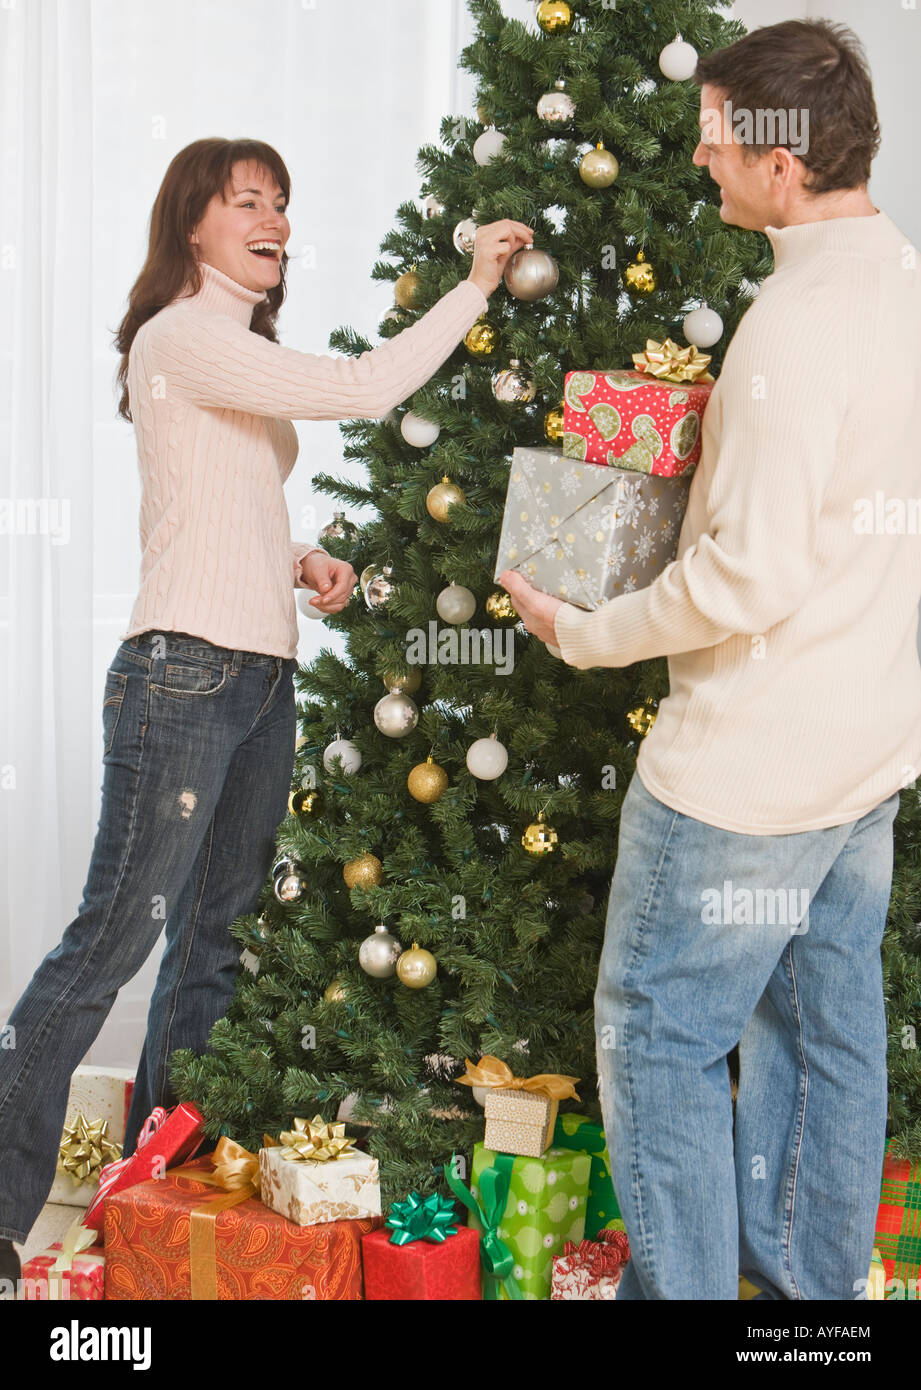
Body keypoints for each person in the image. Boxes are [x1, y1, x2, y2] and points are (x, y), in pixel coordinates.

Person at [0, 135, 532, 1288]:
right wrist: (475, 286)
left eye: (282, 202)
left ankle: (152, 1198)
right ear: (191, 224)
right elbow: (359, 389)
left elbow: (217, 498)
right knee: (111, 941)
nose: (273, 217)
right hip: (184, 671)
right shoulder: (181, 334)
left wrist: (296, 554)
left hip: (256, 673)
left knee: (210, 949)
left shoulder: (234, 349)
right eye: (248, 200)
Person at [503, 19, 921, 1299]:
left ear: (783, 162)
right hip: (862, 762)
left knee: (660, 1042)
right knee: (825, 1042)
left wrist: (587, 631)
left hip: (745, 776)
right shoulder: (900, 281)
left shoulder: (795, 322)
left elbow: (754, 575)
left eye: (718, 134)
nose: (699, 153)